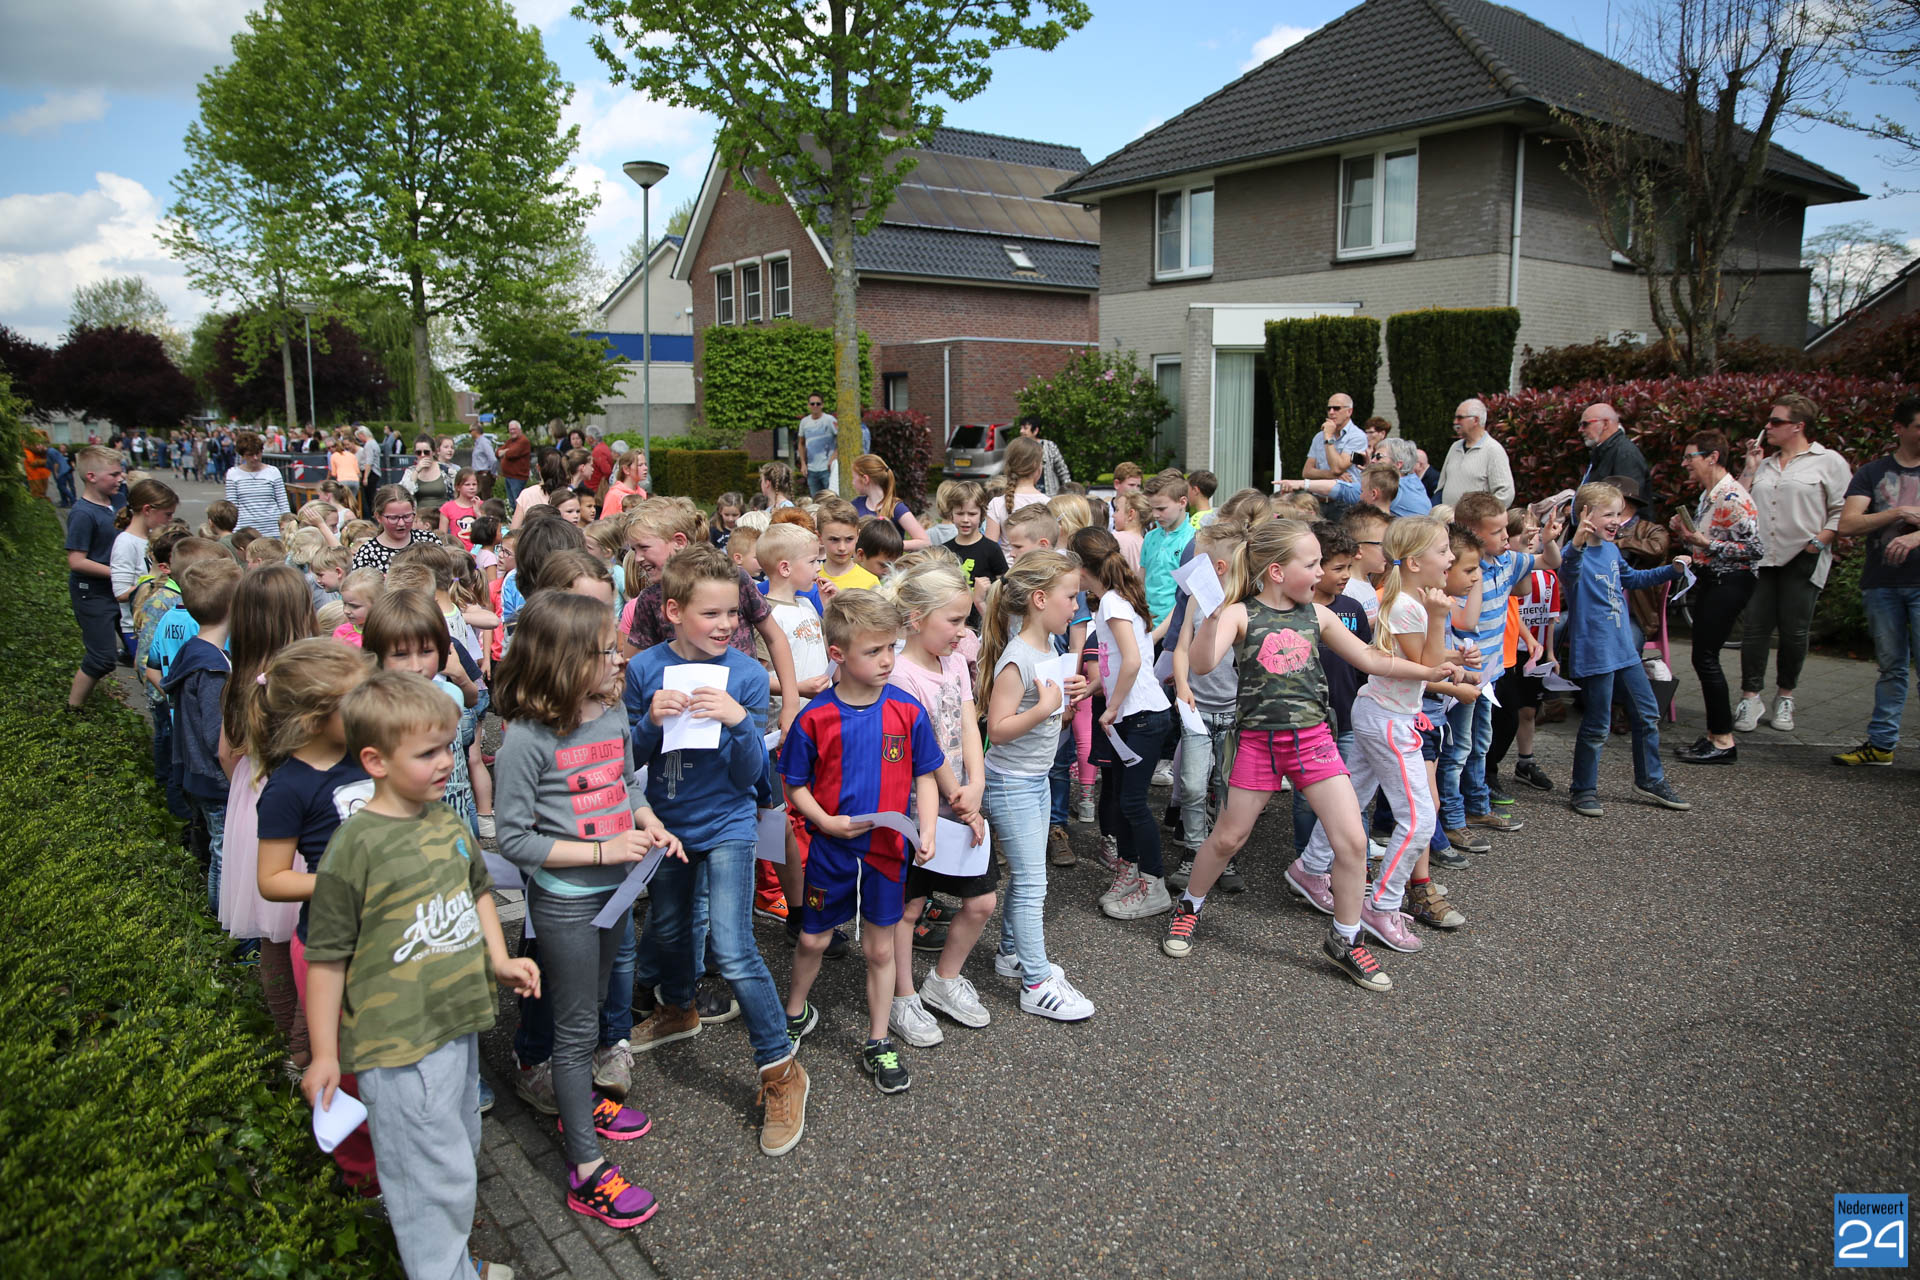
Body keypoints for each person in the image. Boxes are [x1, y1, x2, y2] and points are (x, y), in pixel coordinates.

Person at [302, 670, 539, 1278]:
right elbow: (326, 958)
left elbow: (479, 891)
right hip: (397, 1045)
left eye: (448, 745)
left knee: (457, 1160)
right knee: (427, 1184)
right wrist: (325, 1055)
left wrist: (498, 959)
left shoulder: (444, 821)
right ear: (375, 760)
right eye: (428, 752)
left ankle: (455, 1265)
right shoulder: (354, 847)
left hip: (455, 1024)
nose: (446, 762)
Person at [1160, 518, 1454, 989]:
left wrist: (1431, 670)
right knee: (1229, 838)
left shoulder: (1319, 616)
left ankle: (1345, 938)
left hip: (1314, 740)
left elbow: (1373, 660)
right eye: (1312, 563)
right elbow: (1199, 664)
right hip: (1258, 742)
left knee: (1353, 841)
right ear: (1277, 571)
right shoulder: (1240, 613)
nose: (1321, 572)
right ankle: (1190, 904)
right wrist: (1211, 614)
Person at [618, 548, 813, 1154]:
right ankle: (678, 1009)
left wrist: (738, 723)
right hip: (669, 825)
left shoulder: (748, 675)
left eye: (734, 613)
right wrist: (648, 723)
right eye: (712, 614)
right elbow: (630, 762)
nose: (728, 624)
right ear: (673, 611)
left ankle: (780, 1068)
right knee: (673, 927)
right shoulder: (645, 668)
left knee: (731, 945)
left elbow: (757, 781)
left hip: (728, 822)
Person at [493, 592, 673, 1223]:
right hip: (568, 900)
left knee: (595, 1011)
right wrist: (602, 851)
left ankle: (582, 1105)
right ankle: (586, 1168)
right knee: (572, 1034)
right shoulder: (525, 740)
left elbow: (624, 783)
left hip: (617, 889)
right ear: (562, 662)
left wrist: (650, 822)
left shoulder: (609, 711)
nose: (618, 659)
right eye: (603, 652)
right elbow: (513, 839)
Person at [780, 589, 945, 1092]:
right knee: (812, 937)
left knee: (879, 951)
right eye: (873, 651)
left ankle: (878, 1040)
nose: (887, 660)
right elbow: (795, 784)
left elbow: (926, 775)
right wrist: (824, 822)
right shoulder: (814, 718)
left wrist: (929, 828)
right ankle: (794, 1011)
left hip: (887, 852)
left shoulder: (907, 710)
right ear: (838, 655)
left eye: (891, 648)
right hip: (831, 849)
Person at [1294, 516, 1465, 950]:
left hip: (1380, 711)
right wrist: (1441, 622)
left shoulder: (1408, 600)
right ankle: (1381, 905)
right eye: (1443, 551)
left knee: (1353, 797)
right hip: (1389, 718)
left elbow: (1427, 660)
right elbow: (1428, 666)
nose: (1450, 559)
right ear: (1412, 561)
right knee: (1420, 817)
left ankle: (1311, 868)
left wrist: (1457, 653)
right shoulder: (1411, 605)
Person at [878, 559, 994, 1047]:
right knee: (909, 908)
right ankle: (903, 995)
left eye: (966, 619)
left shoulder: (954, 663)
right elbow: (921, 745)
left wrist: (978, 782)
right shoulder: (899, 674)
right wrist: (957, 793)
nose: (962, 631)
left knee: (982, 901)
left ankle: (943, 981)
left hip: (961, 798)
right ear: (915, 617)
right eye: (953, 621)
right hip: (914, 809)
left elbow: (969, 724)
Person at [979, 549, 1097, 1021]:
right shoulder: (1018, 658)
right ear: (1041, 599)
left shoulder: (1049, 649)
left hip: (1034, 779)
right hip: (1011, 783)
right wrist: (1045, 706)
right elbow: (999, 726)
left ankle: (1011, 953)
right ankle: (1035, 981)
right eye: (1071, 597)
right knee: (1031, 882)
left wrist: (1066, 704)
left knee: (1027, 878)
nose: (1077, 607)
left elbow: (1047, 718)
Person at [1562, 482, 1693, 815]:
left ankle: (1649, 778)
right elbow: (1569, 569)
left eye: (1619, 514)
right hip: (1595, 652)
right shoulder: (1573, 555)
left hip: (1623, 648)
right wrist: (1576, 543)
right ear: (1586, 515)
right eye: (1610, 514)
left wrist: (1672, 570)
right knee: (1597, 724)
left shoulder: (1610, 549)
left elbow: (1631, 579)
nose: (1618, 521)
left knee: (1648, 712)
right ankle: (1583, 789)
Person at [1733, 394, 1852, 734]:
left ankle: (1785, 696)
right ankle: (1750, 696)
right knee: (1754, 629)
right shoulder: (1765, 463)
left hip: (1803, 555)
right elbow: (1736, 506)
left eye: (1775, 422)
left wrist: (1820, 542)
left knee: (1795, 631)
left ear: (1798, 426)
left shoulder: (1828, 462)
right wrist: (1750, 468)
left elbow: (1842, 508)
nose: (1766, 427)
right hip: (1762, 557)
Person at [1071, 526, 1174, 920]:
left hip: (1142, 718)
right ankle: (1132, 873)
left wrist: (1111, 706)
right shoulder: (1117, 598)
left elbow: (1131, 661)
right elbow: (1130, 660)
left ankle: (1154, 884)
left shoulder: (1112, 603)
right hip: (1139, 715)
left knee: (1133, 804)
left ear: (1084, 567)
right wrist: (1096, 684)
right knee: (1127, 803)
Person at [1663, 430, 1764, 764]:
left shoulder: (1732, 497)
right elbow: (1708, 540)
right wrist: (1689, 536)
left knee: (1706, 656)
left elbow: (1755, 550)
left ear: (1712, 457)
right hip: (1713, 580)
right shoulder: (1711, 495)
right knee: (1703, 656)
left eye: (1690, 457)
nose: (1685, 464)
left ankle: (1723, 741)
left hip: (1731, 581)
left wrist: (1706, 544)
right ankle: (1715, 736)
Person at [1832, 396, 1920, 765]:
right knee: (1891, 667)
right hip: (1882, 583)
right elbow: (1848, 524)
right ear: (1899, 429)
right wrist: (1897, 512)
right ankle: (1881, 745)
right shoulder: (1872, 472)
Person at [164, 557, 243, 916]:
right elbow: (217, 734)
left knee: (214, 843)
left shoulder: (193, 650)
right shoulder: (213, 667)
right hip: (215, 777)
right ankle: (221, 917)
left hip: (193, 769)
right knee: (225, 851)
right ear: (232, 605)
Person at [65, 446, 128, 708]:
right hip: (93, 593)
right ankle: (72, 710)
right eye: (114, 474)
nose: (120, 478)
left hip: (120, 590)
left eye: (121, 472)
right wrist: (118, 573)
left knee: (143, 650)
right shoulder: (83, 513)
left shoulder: (118, 501)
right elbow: (76, 561)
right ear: (91, 476)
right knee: (101, 657)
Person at [111, 479, 179, 655]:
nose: (170, 520)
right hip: (138, 629)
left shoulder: (153, 537)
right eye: (167, 514)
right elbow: (121, 593)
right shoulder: (125, 542)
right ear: (148, 510)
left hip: (159, 621)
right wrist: (157, 581)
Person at [1436, 398, 1515, 506]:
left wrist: (1482, 517)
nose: (1455, 422)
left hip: (1475, 522)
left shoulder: (1493, 450)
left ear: (1476, 420)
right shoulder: (1455, 447)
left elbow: (1506, 494)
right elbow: (1441, 486)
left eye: (1460, 418)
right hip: (1447, 520)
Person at [1140, 473, 1194, 627]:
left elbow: (1187, 597)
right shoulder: (1150, 537)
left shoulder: (1194, 540)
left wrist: (1158, 635)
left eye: (1162, 509)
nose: (1155, 515)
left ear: (1182, 502)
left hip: (1176, 628)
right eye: (1153, 508)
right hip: (1147, 622)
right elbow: (1141, 580)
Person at [849, 454, 930, 550]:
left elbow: (925, 542)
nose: (852, 482)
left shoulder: (896, 507)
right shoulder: (855, 504)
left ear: (865, 479)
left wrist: (888, 545)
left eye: (854, 478)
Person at [352, 486, 440, 573]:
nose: (401, 523)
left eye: (407, 516)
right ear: (378, 517)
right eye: (393, 518)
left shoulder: (429, 540)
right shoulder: (368, 553)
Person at [1578, 403, 1651, 501]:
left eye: (1585, 424)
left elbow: (1628, 502)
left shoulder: (1625, 453)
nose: (1580, 430)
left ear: (1605, 424)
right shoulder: (1605, 452)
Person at [983, 438, 1050, 545]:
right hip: (1039, 562)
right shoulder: (1048, 503)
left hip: (1004, 562)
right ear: (1036, 466)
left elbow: (989, 549)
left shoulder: (997, 504)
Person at [225, 431, 292, 536]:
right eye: (250, 455)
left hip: (273, 530)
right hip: (245, 531)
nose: (255, 458)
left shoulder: (273, 471)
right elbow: (232, 506)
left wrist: (288, 525)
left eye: (258, 453)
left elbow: (282, 502)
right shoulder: (233, 474)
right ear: (243, 455)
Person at [1301, 393, 1366, 483]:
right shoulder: (1319, 437)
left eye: (1336, 408)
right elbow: (1306, 472)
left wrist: (1328, 437)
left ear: (1349, 412)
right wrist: (1330, 475)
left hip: (1346, 495)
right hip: (1320, 495)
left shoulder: (1358, 437)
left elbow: (1337, 468)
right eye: (1329, 409)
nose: (1331, 412)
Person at [1017, 415, 1073, 496]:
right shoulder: (1020, 448)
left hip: (1051, 496)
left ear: (1036, 430)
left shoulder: (1049, 446)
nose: (1021, 431)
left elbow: (1062, 471)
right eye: (1021, 428)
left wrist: (1069, 492)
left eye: (1025, 428)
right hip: (1028, 496)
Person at [797, 394, 839, 495]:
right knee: (815, 500)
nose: (815, 406)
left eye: (818, 403)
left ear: (822, 405)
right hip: (812, 470)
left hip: (827, 468)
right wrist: (803, 463)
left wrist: (833, 458)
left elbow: (841, 441)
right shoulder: (804, 422)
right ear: (808, 405)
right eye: (812, 404)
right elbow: (801, 443)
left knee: (831, 498)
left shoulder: (830, 420)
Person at [401, 436, 452, 505]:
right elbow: (404, 494)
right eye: (419, 452)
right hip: (419, 513)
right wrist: (417, 471)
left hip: (442, 512)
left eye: (426, 452)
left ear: (433, 452)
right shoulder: (410, 471)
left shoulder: (446, 470)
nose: (422, 455)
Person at [498, 421, 533, 505]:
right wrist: (505, 451)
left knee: (518, 504)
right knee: (512, 503)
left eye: (514, 429)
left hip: (518, 477)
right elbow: (497, 452)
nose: (512, 431)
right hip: (509, 476)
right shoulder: (510, 441)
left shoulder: (523, 441)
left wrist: (505, 451)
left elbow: (512, 454)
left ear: (519, 429)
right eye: (510, 429)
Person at [468, 423, 498, 496]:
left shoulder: (484, 443)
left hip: (484, 475)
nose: (470, 434)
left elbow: (493, 459)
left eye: (470, 431)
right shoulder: (477, 443)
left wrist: (493, 473)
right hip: (478, 475)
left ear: (475, 431)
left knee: (485, 499)